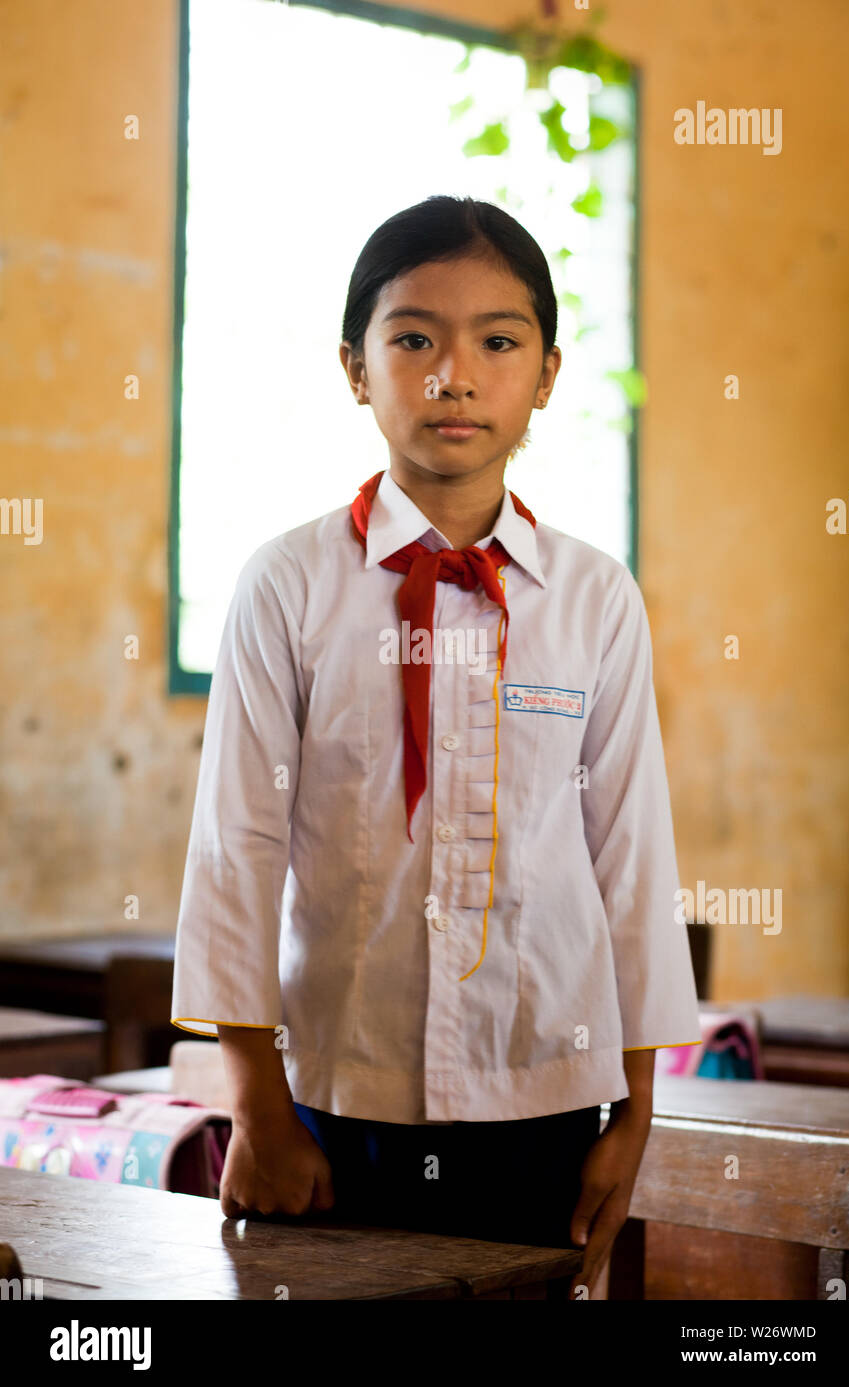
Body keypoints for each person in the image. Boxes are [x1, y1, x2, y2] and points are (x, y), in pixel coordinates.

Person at [171, 195, 701, 1299]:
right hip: (335, 1105)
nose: (451, 374)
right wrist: (255, 1105)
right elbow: (237, 845)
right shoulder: (289, 584)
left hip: (545, 1102)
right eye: (411, 337)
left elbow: (630, 855)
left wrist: (636, 1109)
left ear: (545, 374)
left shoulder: (594, 598)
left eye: (496, 342)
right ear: (355, 369)